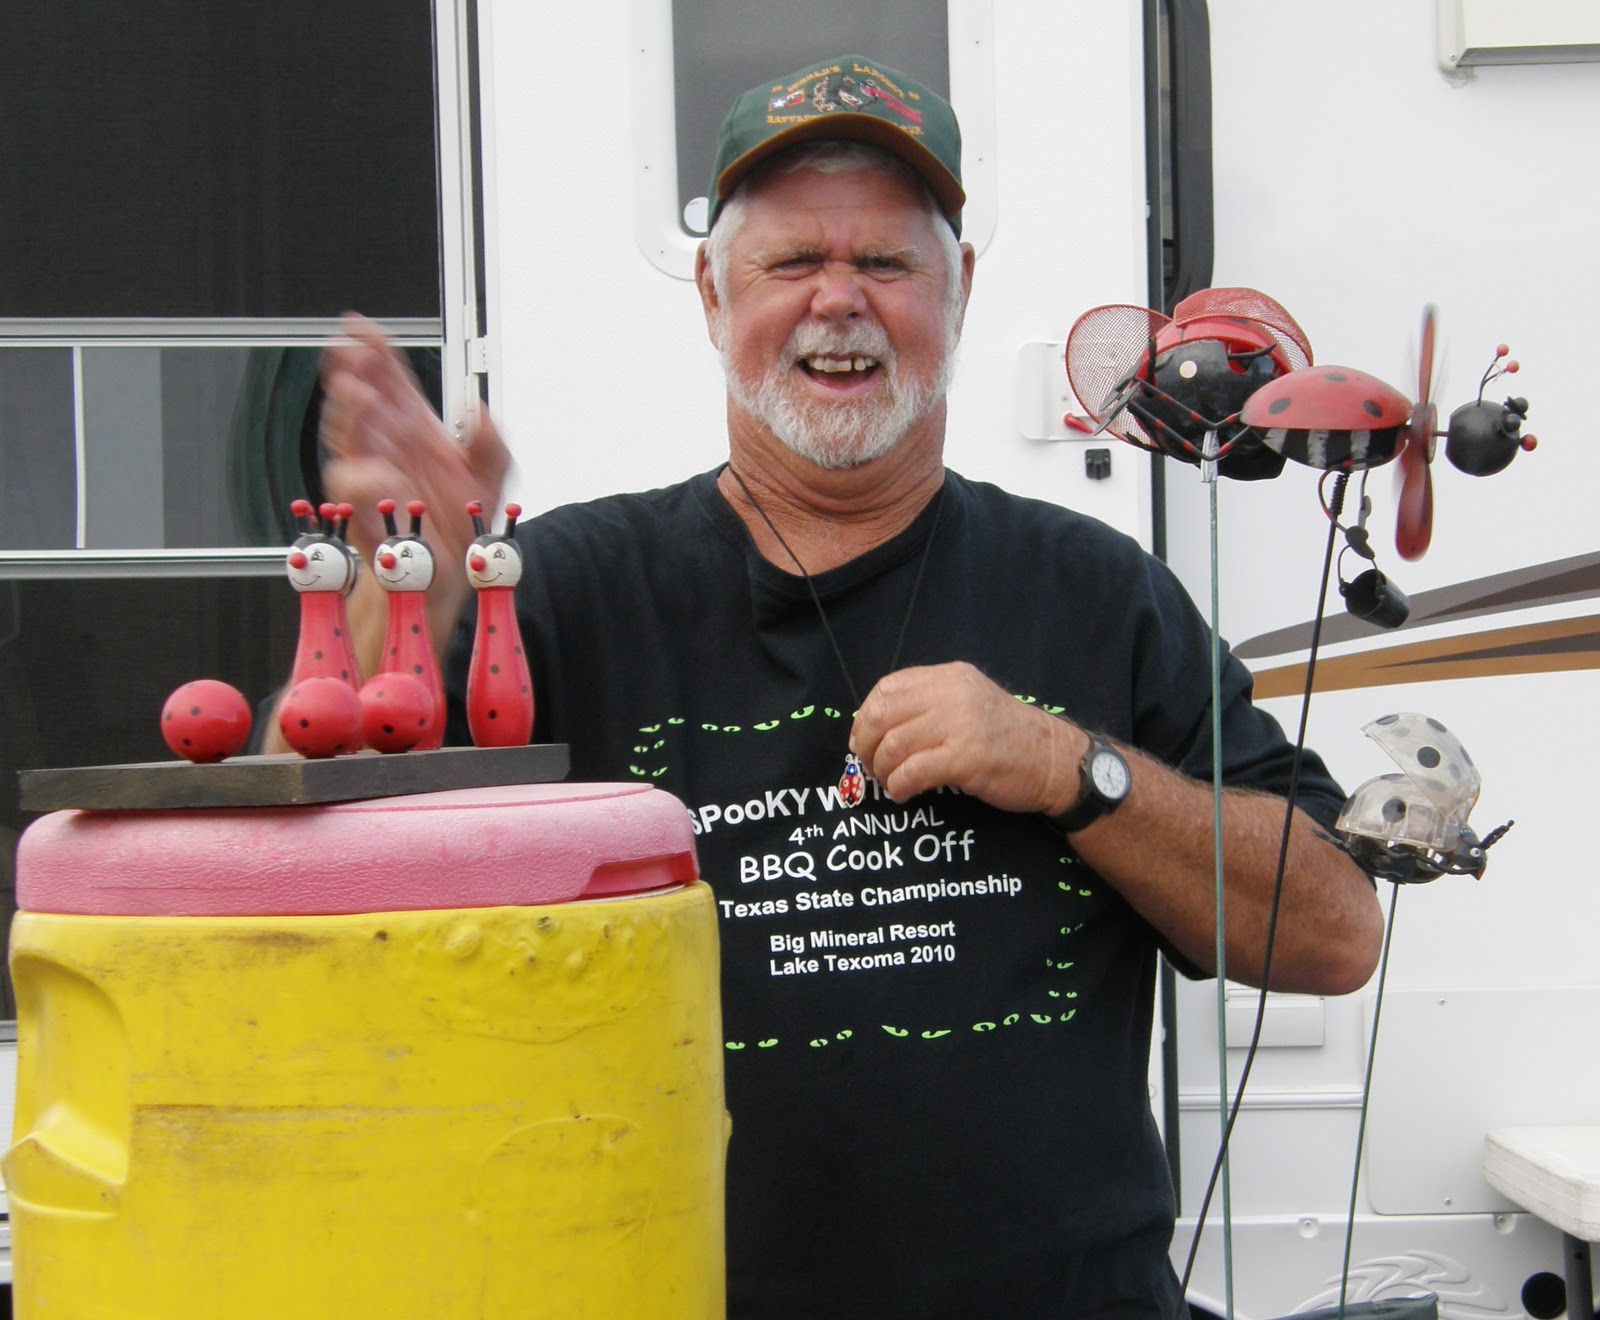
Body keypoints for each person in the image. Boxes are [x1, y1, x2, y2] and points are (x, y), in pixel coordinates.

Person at [290, 54, 1384, 1319]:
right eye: (790, 262)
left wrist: (1066, 768)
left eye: (886, 264)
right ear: (711, 292)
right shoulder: (567, 588)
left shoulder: (1095, 591)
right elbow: (325, 853)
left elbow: (1335, 931)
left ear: (959, 290)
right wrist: (397, 595)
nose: (837, 303)